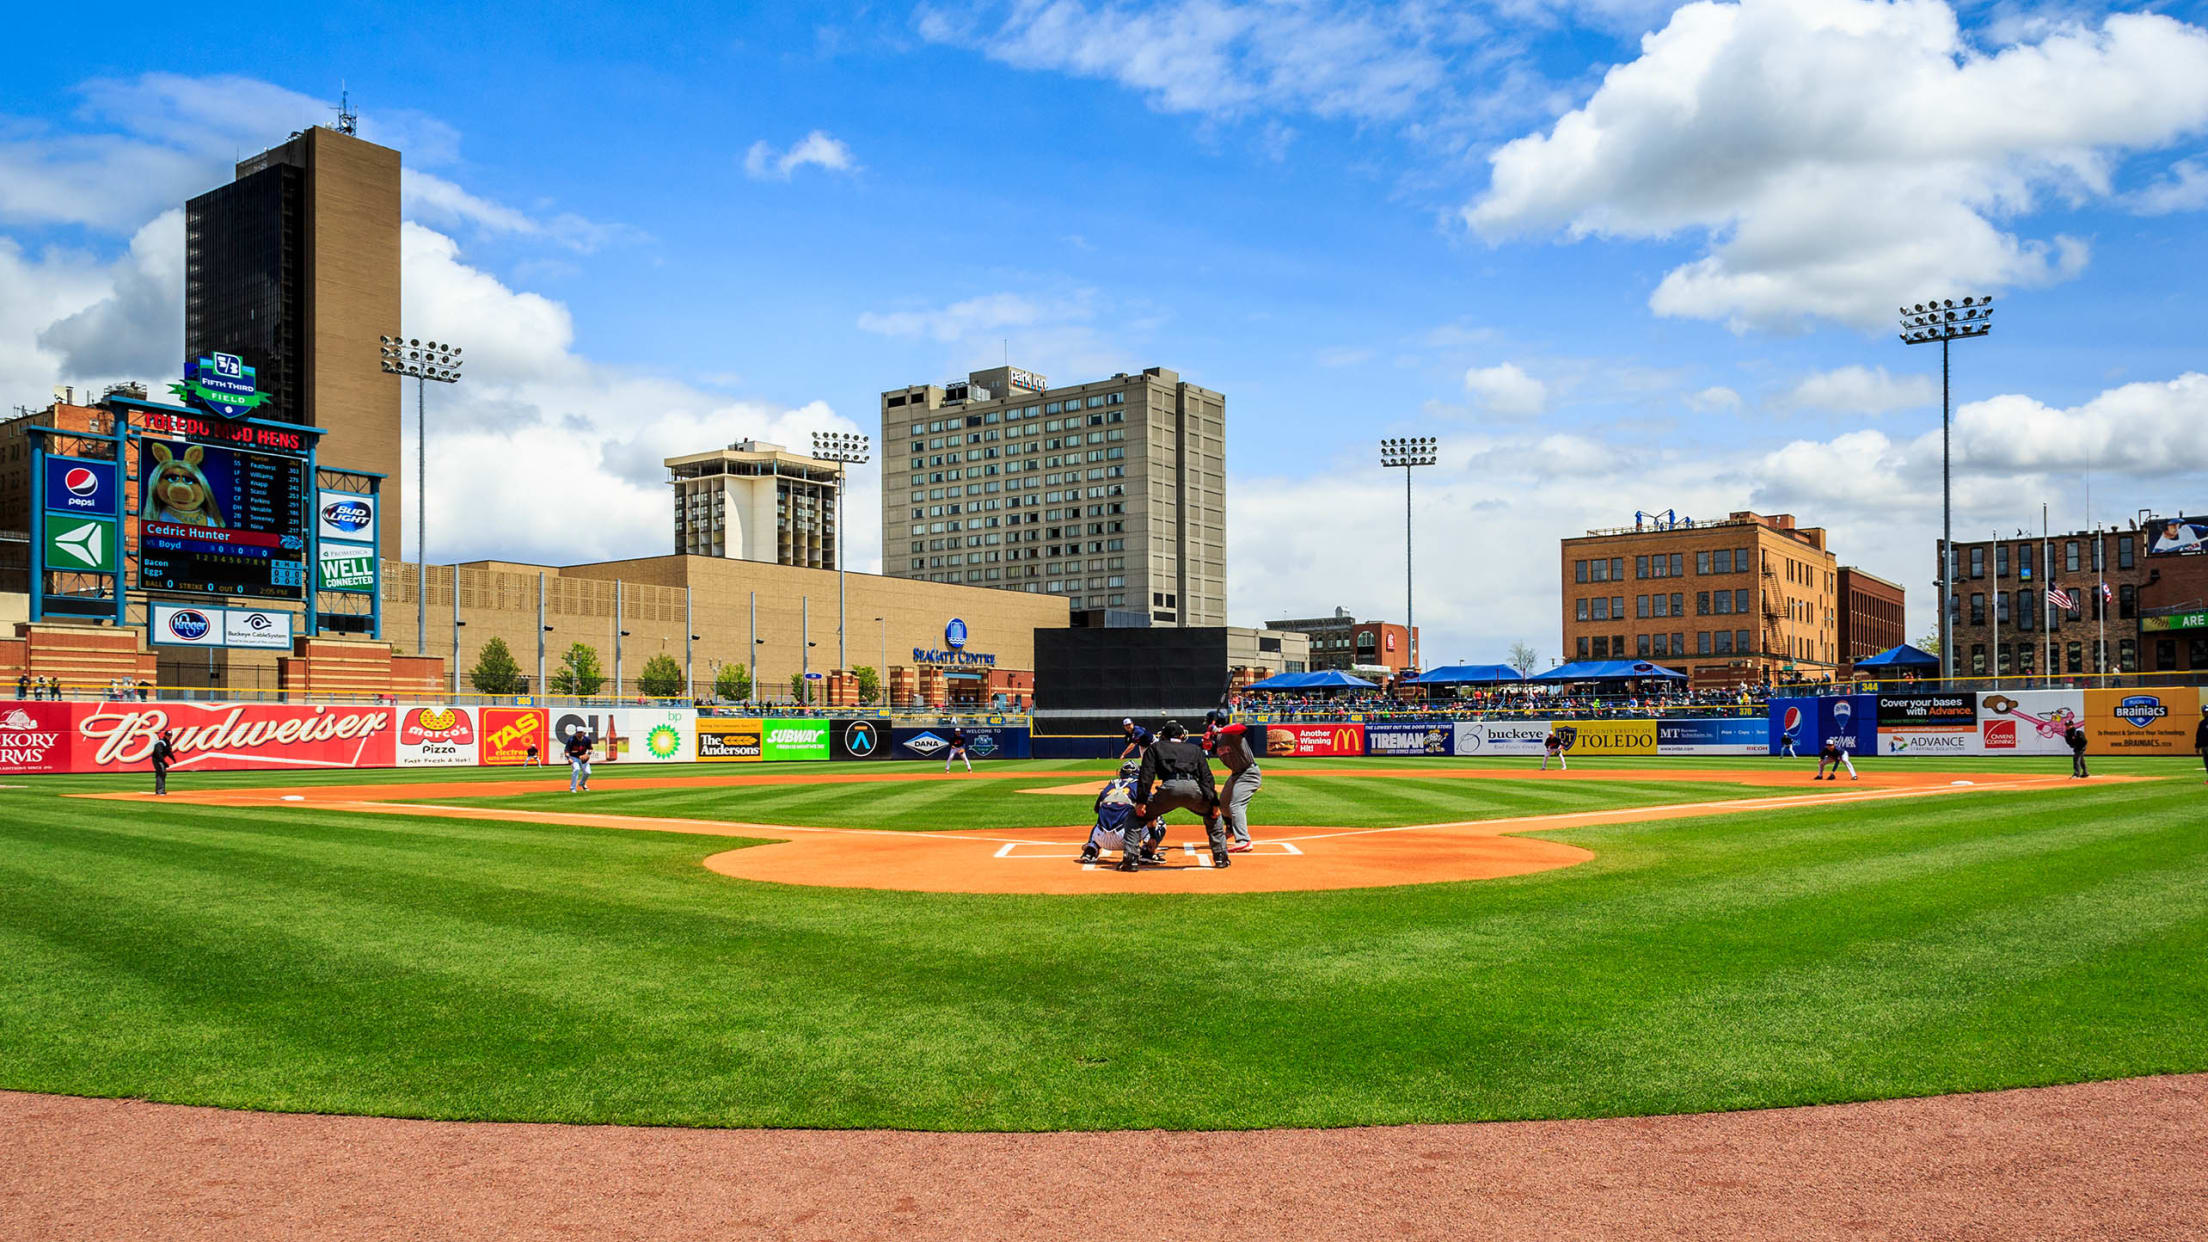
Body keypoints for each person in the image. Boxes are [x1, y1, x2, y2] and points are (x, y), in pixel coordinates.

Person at [1128, 721, 1227, 871]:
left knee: (1134, 817)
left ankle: (1131, 860)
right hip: (1193, 788)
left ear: (1163, 736)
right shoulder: (1195, 749)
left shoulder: (1155, 748)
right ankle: (1221, 857)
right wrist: (1214, 803)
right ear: (1182, 736)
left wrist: (1141, 802)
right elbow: (1206, 777)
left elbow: (1146, 776)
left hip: (1169, 789)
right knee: (1214, 817)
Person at [1203, 709, 1260, 853]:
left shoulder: (1231, 732)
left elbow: (1242, 728)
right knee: (1223, 804)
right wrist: (1207, 741)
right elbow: (1209, 748)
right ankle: (1231, 828)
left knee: (1236, 805)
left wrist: (1219, 730)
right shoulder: (1218, 739)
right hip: (1236, 774)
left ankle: (1244, 840)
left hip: (1249, 773)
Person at [1080, 761, 1144, 866]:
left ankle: (1090, 850)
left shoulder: (1110, 785)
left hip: (1100, 838)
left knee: (1100, 820)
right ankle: (1147, 853)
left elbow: (1096, 809)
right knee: (1156, 819)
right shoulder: (1138, 786)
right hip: (1125, 839)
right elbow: (1151, 809)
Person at [565, 727, 595, 792]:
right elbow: (567, 751)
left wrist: (588, 754)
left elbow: (590, 748)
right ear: (576, 733)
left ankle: (582, 783)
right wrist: (568, 758)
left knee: (588, 772)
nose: (580, 734)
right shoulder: (571, 740)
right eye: (578, 732)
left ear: (583, 733)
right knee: (576, 769)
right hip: (574, 757)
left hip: (583, 757)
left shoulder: (587, 740)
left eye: (581, 732)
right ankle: (573, 788)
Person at [150, 729, 175, 796]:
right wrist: (164, 762)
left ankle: (160, 790)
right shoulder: (160, 742)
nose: (169, 736)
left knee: (162, 773)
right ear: (165, 735)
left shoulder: (167, 742)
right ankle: (160, 791)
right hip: (157, 759)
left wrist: (173, 758)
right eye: (168, 735)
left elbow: (168, 752)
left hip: (161, 759)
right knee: (161, 772)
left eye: (170, 735)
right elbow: (158, 753)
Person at [2195, 705, 2208, 785]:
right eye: (2204, 711)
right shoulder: (2202, 723)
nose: (2206, 713)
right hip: (2204, 746)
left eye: (2207, 712)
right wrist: (2197, 746)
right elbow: (2199, 736)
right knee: (2207, 763)